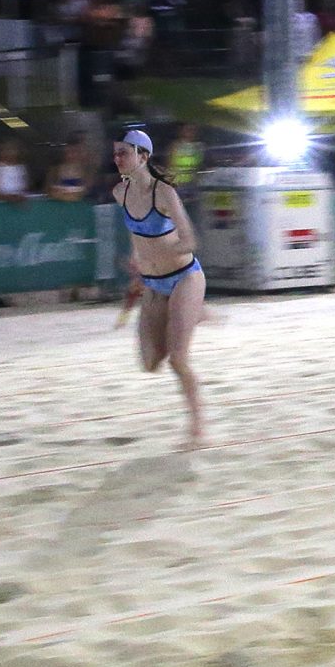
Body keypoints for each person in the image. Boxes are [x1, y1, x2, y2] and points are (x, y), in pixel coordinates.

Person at [112, 127, 207, 448]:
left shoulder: (164, 192)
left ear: (143, 156)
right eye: (115, 153)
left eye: (123, 152)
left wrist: (159, 253)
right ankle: (188, 316)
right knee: (151, 362)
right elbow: (136, 235)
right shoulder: (119, 193)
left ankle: (197, 428)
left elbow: (191, 241)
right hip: (153, 284)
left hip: (184, 277)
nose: (117, 159)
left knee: (178, 358)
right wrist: (138, 262)